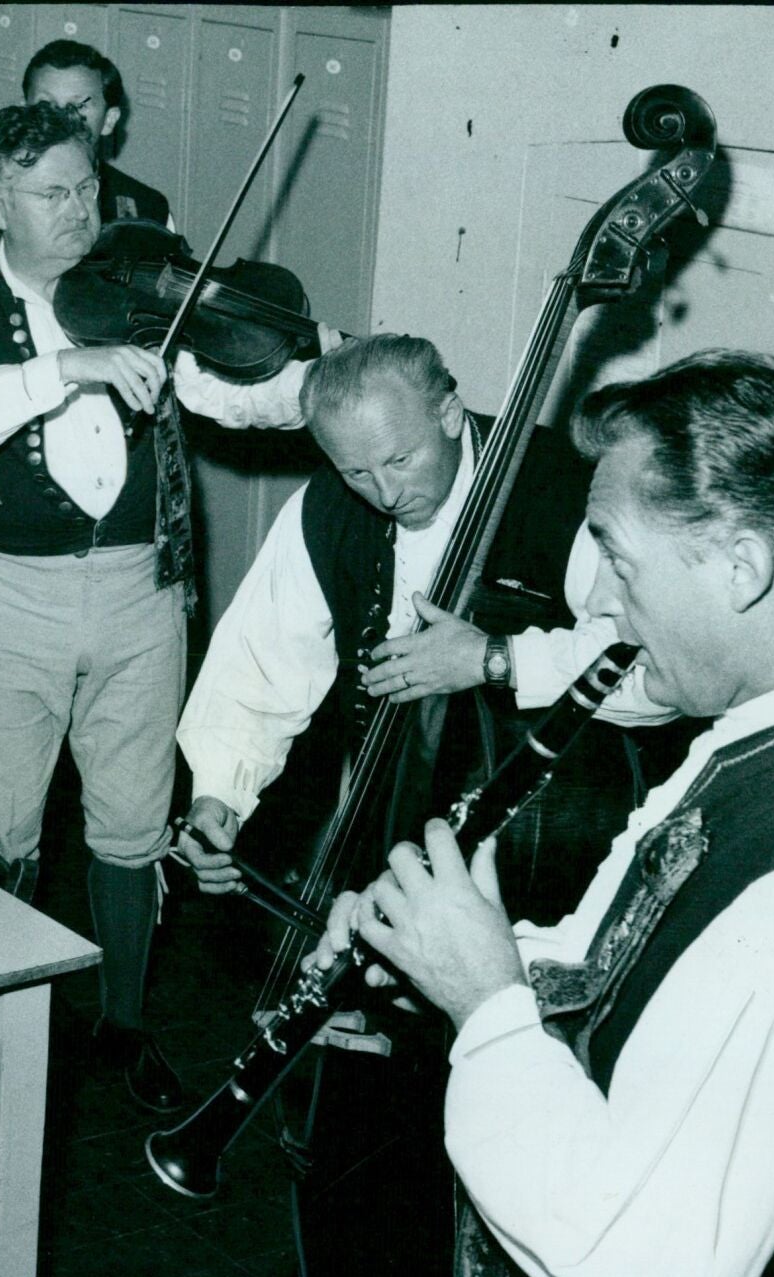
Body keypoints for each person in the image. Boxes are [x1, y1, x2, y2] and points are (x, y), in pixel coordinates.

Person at [312, 350, 774, 1277]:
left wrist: (487, 1004)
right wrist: (453, 951)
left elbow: (651, 1267)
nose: (610, 614)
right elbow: (648, 963)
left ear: (741, 566)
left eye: (622, 568)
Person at [0, 101, 329, 1113]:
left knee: (135, 821)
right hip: (10, 595)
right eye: (52, 192)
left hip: (143, 590)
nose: (80, 209)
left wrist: (323, 381)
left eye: (88, 187)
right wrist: (62, 367)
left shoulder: (138, 288)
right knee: (1, 825)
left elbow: (235, 393)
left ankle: (125, 1023)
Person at [176, 333, 678, 931]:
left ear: (449, 414)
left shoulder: (565, 488)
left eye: (400, 461)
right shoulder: (324, 506)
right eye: (357, 471)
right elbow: (258, 663)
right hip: (391, 823)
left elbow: (658, 671)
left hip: (549, 840)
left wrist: (492, 658)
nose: (386, 494)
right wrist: (219, 795)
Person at [0, 38, 173, 356]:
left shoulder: (147, 209)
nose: (63, 118)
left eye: (80, 105)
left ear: (109, 119)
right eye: (46, 105)